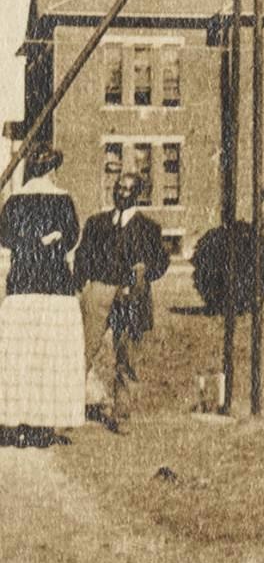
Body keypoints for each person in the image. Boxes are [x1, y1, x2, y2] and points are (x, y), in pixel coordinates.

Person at [0, 143, 84, 448]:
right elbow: (72, 236)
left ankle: (16, 425)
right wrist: (50, 241)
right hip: (54, 290)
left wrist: (28, 243)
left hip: (22, 288)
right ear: (51, 170)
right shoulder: (63, 201)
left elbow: (5, 237)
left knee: (20, 358)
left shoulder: (13, 202)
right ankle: (40, 427)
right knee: (49, 359)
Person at [73, 172, 169, 430]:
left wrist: (144, 271)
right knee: (82, 350)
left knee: (126, 356)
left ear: (137, 194)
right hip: (99, 291)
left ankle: (121, 413)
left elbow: (162, 262)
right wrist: (81, 286)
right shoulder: (97, 223)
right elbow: (82, 256)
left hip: (131, 296)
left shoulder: (149, 228)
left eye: (129, 189)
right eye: (119, 188)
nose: (123, 193)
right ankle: (67, 410)